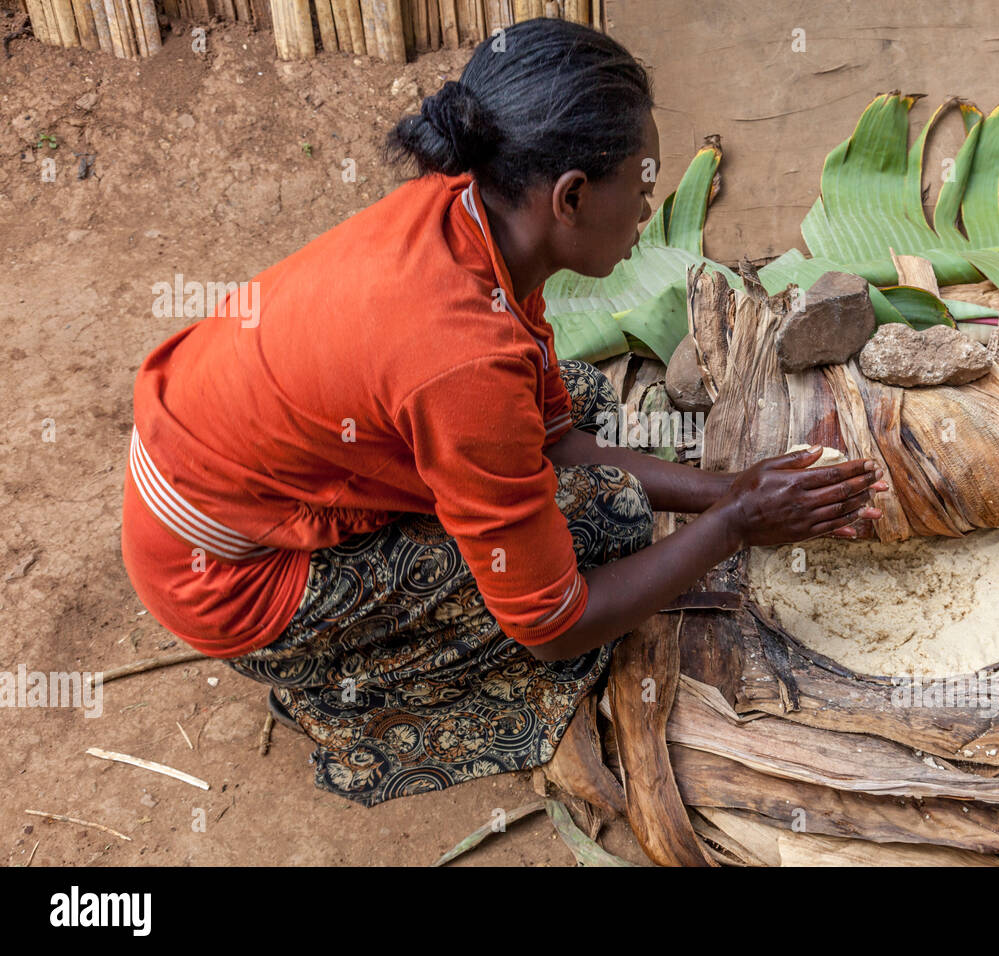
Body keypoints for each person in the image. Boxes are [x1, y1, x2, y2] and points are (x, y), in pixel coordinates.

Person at [120, 17, 887, 806]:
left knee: (579, 402)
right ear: (573, 197)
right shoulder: (463, 359)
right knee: (602, 529)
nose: (652, 213)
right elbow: (554, 627)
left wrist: (727, 488)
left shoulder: (465, 214)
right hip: (225, 577)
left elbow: (552, 433)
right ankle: (343, 677)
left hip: (216, 467)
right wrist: (733, 528)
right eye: (645, 185)